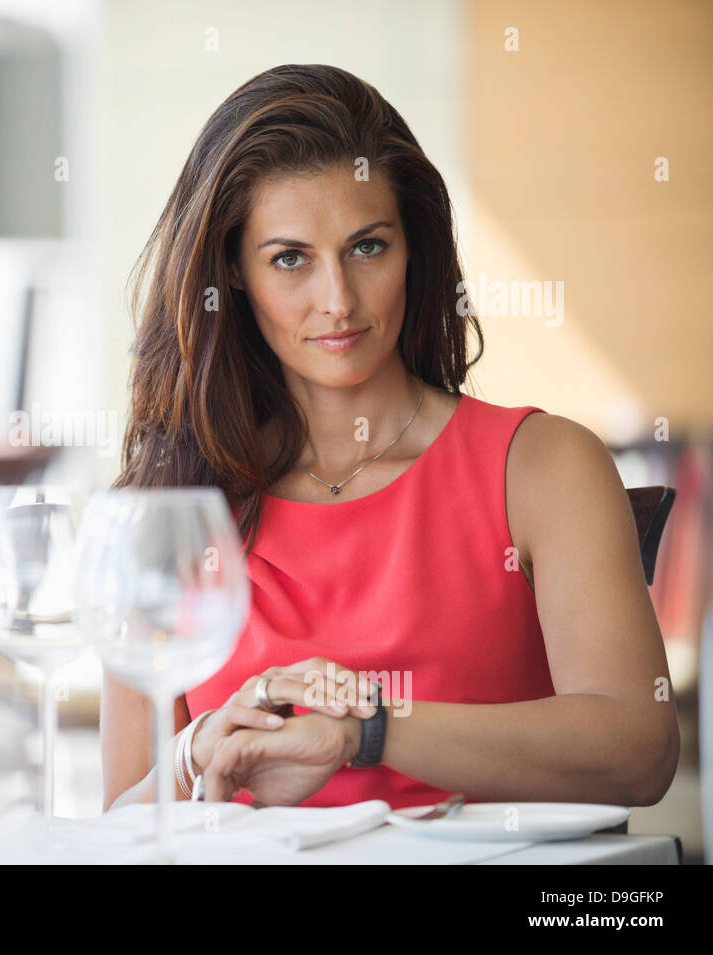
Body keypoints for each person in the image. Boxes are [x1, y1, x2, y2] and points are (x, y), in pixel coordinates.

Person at [102, 64, 679, 811]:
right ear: (231, 274)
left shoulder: (544, 467)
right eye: (290, 259)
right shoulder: (170, 508)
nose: (337, 300)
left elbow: (638, 750)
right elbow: (120, 825)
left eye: (367, 246)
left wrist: (363, 729)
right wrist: (194, 752)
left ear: (414, 246)